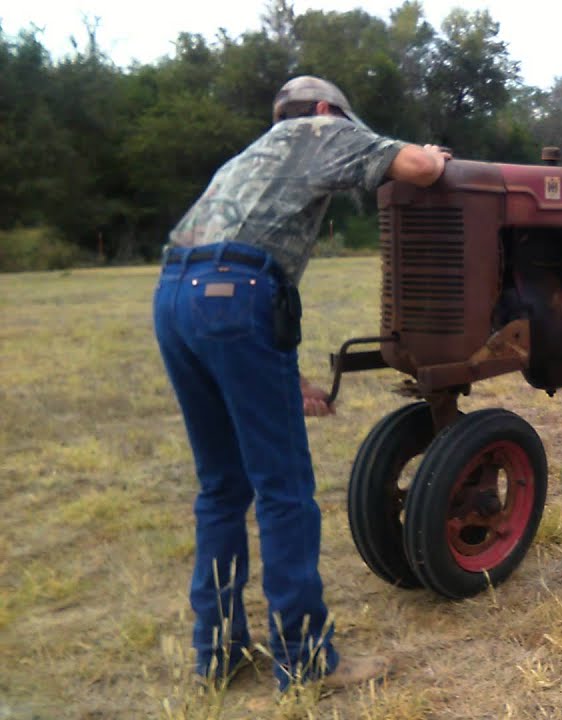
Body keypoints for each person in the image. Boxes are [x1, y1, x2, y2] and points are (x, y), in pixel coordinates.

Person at [153, 76, 451, 691]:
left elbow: (232, 257)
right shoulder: (321, 129)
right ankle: (307, 661)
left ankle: (218, 653)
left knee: (221, 488)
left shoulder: (252, 155)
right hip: (237, 296)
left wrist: (288, 377)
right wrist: (433, 156)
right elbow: (419, 169)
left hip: (175, 297)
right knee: (284, 490)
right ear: (323, 110)